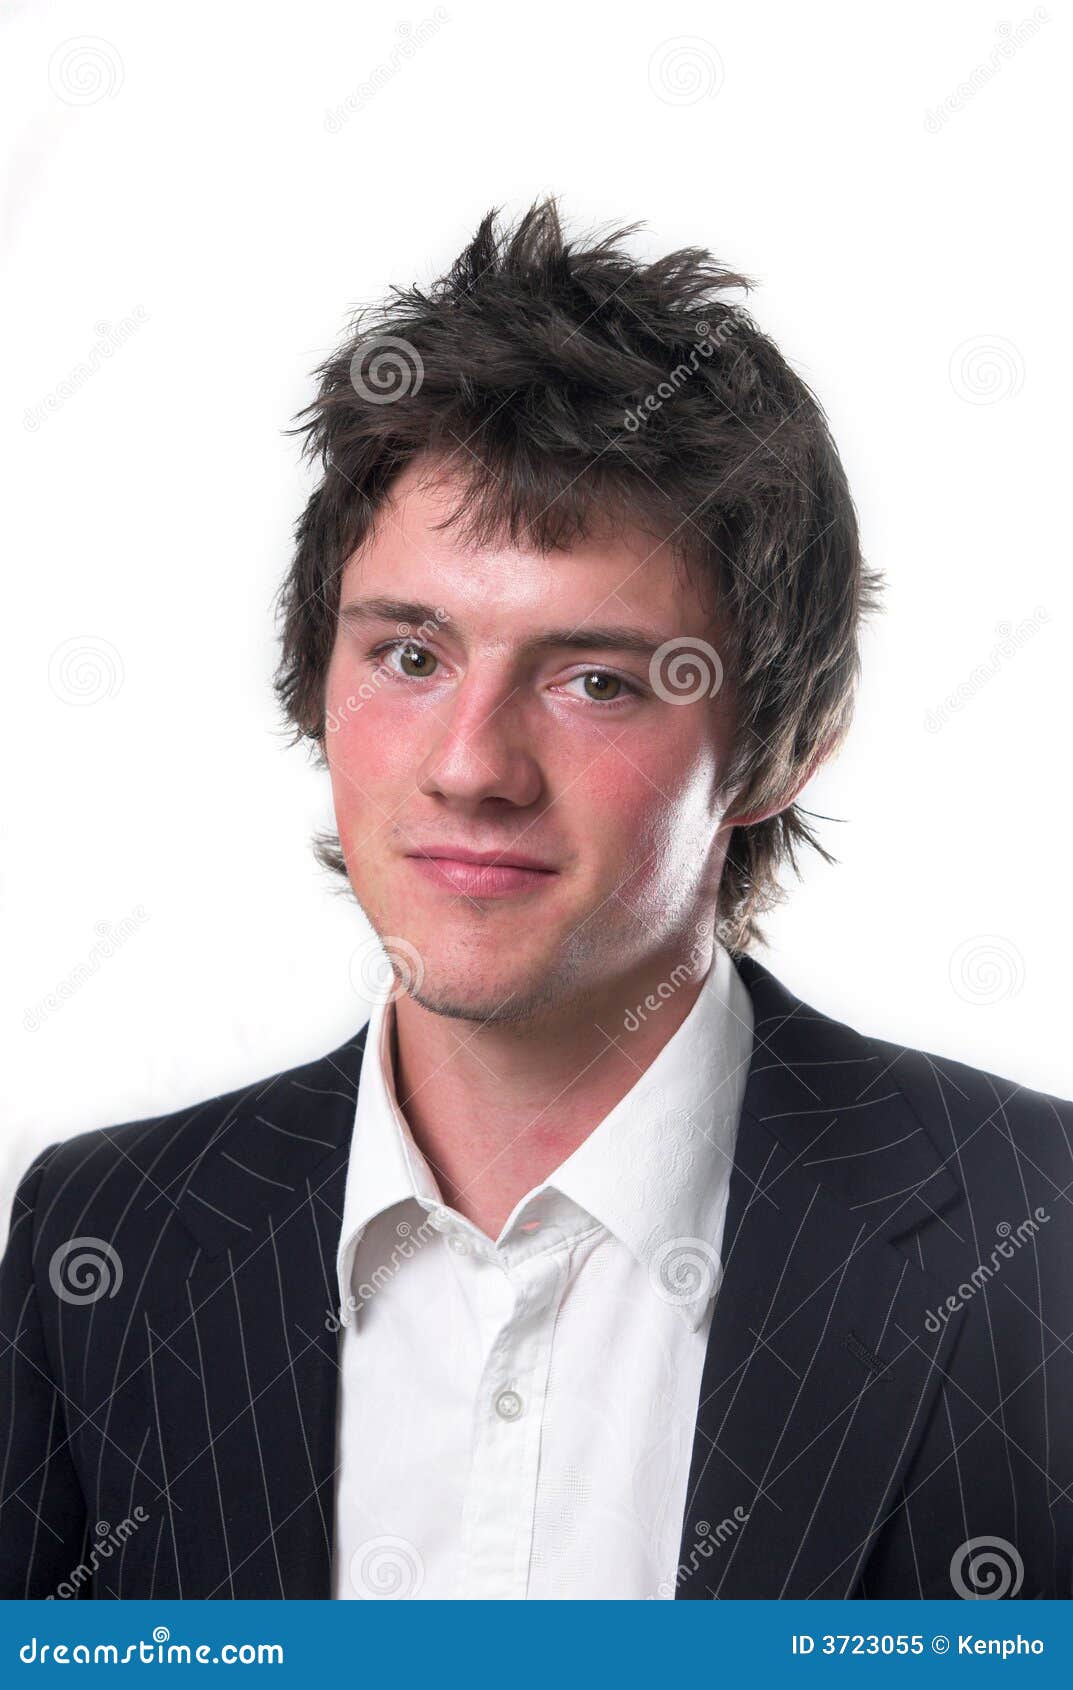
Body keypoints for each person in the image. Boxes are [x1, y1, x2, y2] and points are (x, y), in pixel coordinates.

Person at [2, 200, 1069, 1600]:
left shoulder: (1030, 1226)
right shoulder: (109, 1239)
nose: (471, 767)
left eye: (598, 679)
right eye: (408, 655)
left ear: (784, 743)